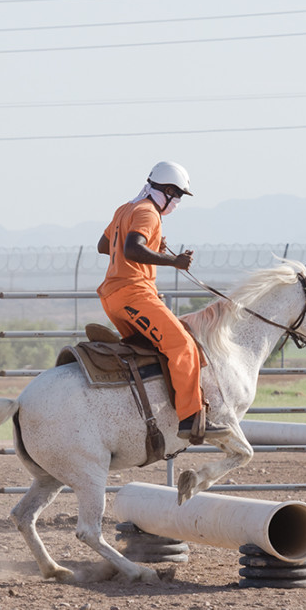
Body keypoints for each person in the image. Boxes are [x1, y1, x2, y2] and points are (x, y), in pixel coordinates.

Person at [97, 161, 231, 441]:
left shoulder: (126, 209)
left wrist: (151, 245)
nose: (178, 201)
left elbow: (103, 245)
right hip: (135, 294)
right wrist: (174, 261)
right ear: (168, 191)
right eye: (179, 195)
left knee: (155, 350)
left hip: (112, 298)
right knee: (183, 345)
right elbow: (132, 248)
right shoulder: (148, 212)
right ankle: (191, 419)